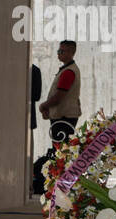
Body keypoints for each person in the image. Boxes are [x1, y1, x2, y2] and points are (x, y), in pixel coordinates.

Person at [33, 40, 81, 193]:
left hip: (64, 117)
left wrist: (43, 105)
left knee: (61, 152)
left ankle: (62, 186)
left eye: (63, 51)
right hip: (63, 115)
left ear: (72, 52)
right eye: (59, 51)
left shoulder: (68, 71)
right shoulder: (67, 69)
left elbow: (59, 96)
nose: (59, 54)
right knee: (61, 151)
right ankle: (61, 185)